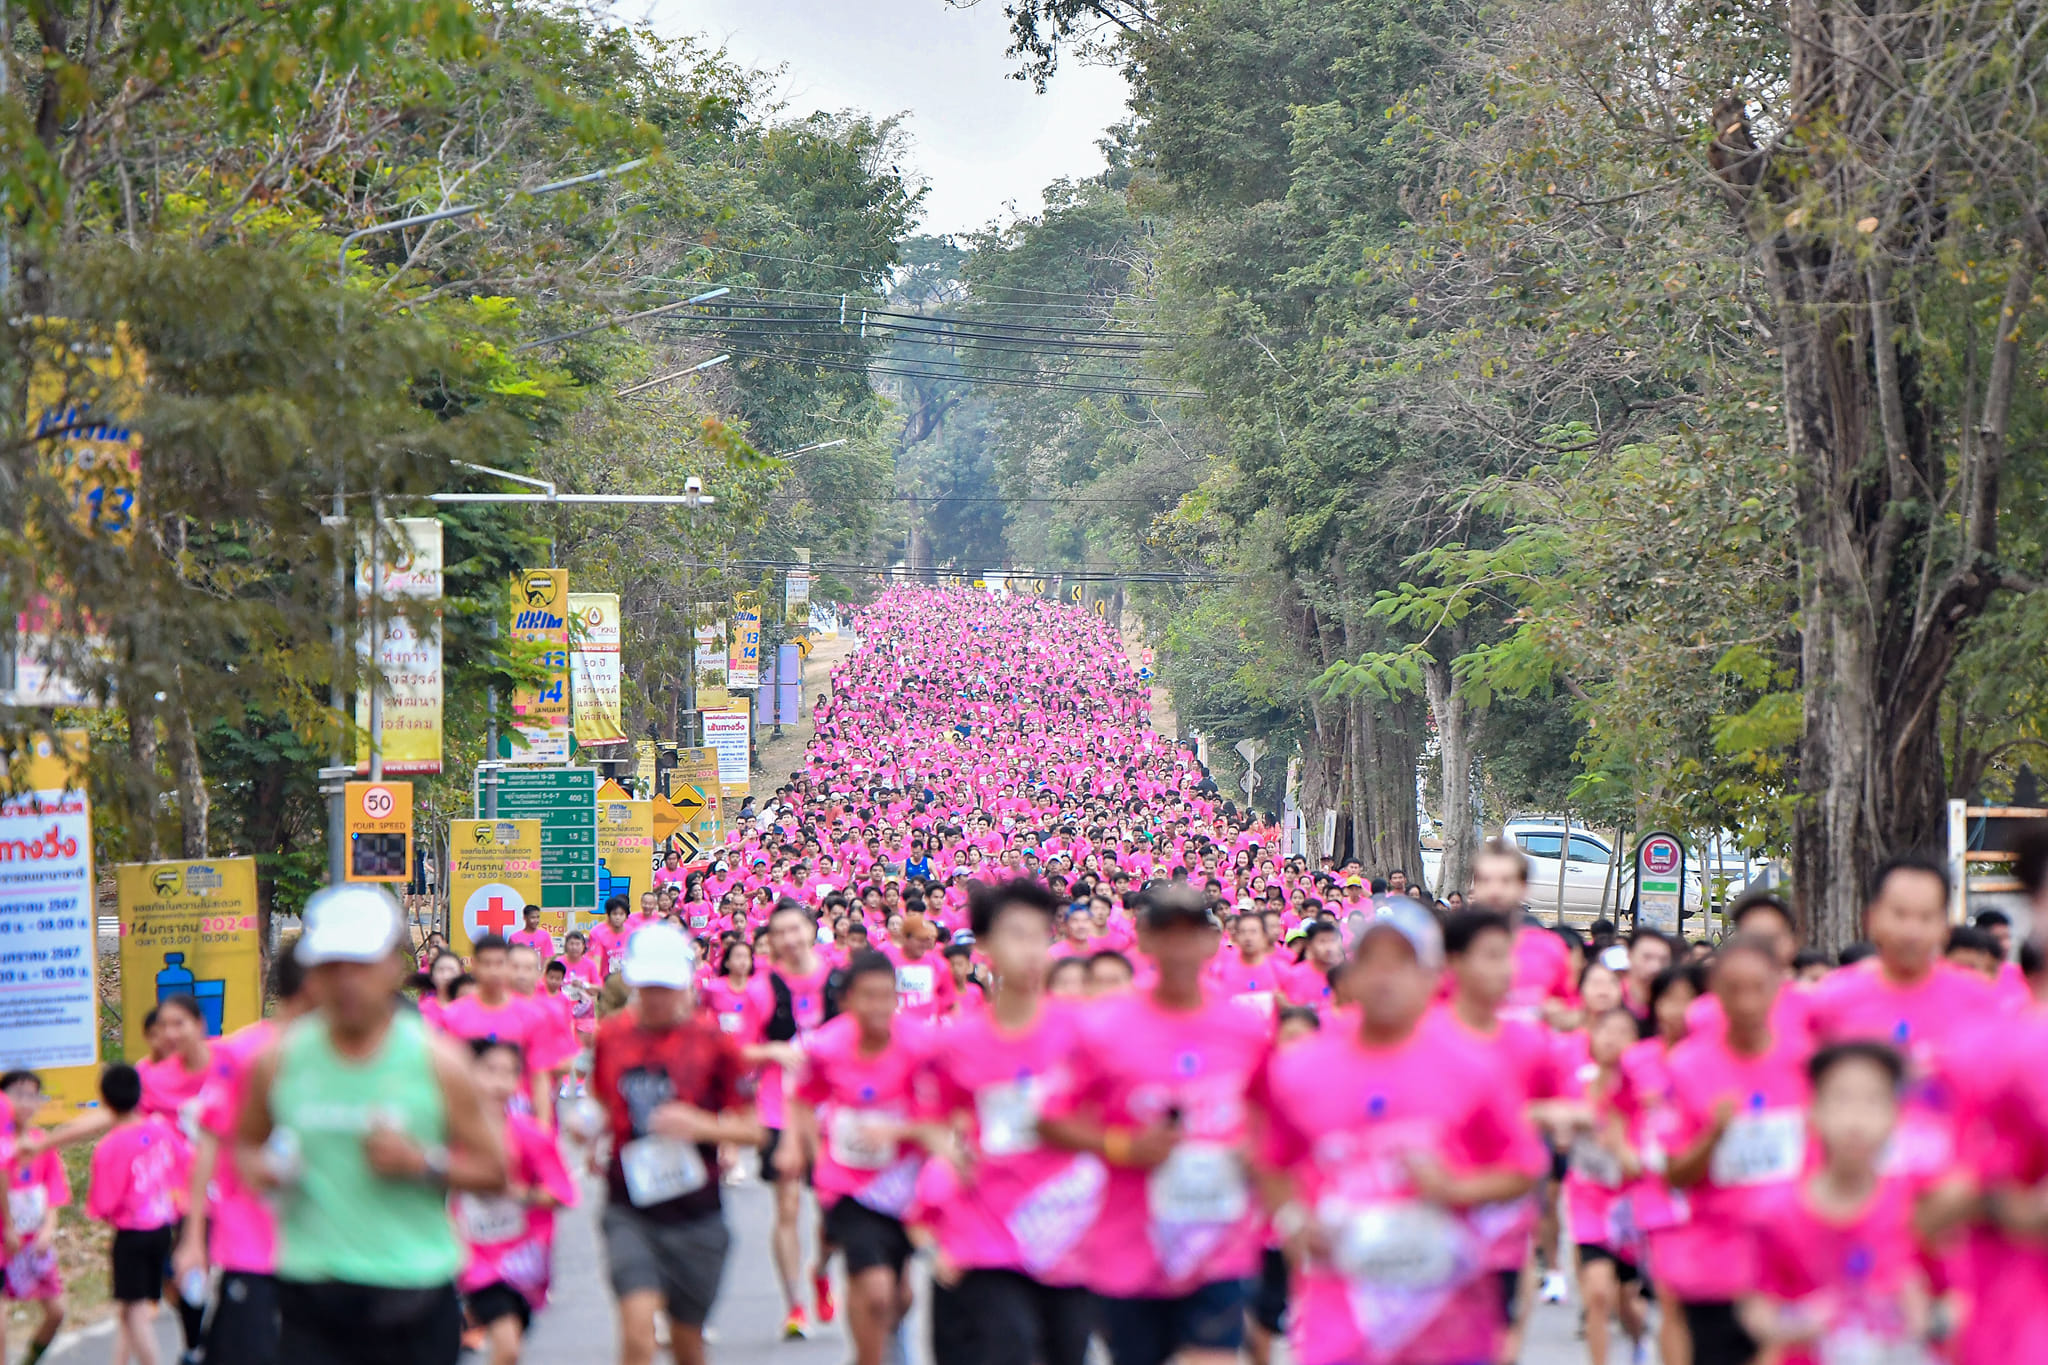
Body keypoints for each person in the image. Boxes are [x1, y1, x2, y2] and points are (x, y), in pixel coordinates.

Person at [1257, 899, 1546, 1365]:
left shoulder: (1473, 1063)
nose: (1386, 977)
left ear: (1432, 976)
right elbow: (1269, 1159)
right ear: (1352, 975)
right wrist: (1294, 1225)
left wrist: (1456, 1189)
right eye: (1373, 961)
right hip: (1342, 1317)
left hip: (1445, 1316)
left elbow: (1523, 1168)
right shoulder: (1303, 1066)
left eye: (1403, 963)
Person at [235, 884, 508, 1365]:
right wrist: (266, 1171)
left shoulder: (437, 1062)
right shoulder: (278, 1060)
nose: (345, 982)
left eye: (359, 965)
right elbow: (245, 1144)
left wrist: (421, 1163)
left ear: (393, 968)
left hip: (413, 1293)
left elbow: (496, 1169)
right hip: (311, 1292)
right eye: (330, 967)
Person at [1039, 884, 1272, 1365]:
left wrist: (1252, 1152)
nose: (1180, 947)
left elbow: (1273, 1119)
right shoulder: (1106, 1028)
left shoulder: (1244, 1030)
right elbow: (1050, 1118)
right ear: (1144, 941)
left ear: (1212, 942)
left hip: (1218, 1241)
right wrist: (1124, 1146)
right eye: (1167, 934)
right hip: (1130, 1245)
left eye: (1191, 934)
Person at [922, 879, 1098, 1365]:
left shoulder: (1081, 1036)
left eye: (1038, 934)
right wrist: (942, 1216)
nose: (1029, 948)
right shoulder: (959, 1045)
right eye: (1014, 934)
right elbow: (939, 1129)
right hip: (987, 1235)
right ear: (984, 946)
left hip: (1064, 1235)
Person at [589, 924, 759, 1365]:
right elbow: (601, 1100)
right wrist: (591, 1133)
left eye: (666, 987)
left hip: (696, 1211)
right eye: (648, 987)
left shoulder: (714, 1044)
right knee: (638, 1330)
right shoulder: (611, 1037)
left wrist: (701, 1126)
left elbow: (754, 1128)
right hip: (629, 1205)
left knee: (688, 1345)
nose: (657, 998)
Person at [1740, 1041, 1945, 1364]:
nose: (1856, 1119)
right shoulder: (1775, 1212)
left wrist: (1927, 1317)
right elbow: (1756, 1310)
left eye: (1873, 1101)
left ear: (1896, 1114)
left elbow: (1959, 1302)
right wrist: (1796, 1324)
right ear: (1813, 1111)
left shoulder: (1920, 1204)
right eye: (1841, 1100)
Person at [782, 951, 941, 1365]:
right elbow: (803, 1099)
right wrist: (800, 1150)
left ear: (897, 999)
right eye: (867, 997)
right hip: (846, 1184)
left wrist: (901, 1132)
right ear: (849, 1000)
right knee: (875, 1290)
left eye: (885, 997)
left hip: (901, 1183)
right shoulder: (828, 1045)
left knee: (900, 1294)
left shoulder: (919, 1044)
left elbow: (942, 1113)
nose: (877, 1007)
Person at [1662, 936, 1814, 1365]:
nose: (1746, 1002)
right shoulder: (1688, 1066)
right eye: (1734, 989)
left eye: (1758, 988)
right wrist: (1713, 1134)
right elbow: (1674, 1174)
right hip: (1718, 1267)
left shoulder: (1804, 1061)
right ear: (1715, 992)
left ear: (1778, 988)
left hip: (1792, 1264)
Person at [173, 948, 313, 1365]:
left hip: (326, 1247)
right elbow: (211, 1142)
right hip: (252, 1245)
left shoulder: (349, 1055)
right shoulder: (243, 1051)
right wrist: (194, 1237)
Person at [456, 1039, 577, 1365]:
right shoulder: (450, 1132)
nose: (499, 1082)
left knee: (510, 1348)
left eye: (509, 1073)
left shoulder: (532, 1136)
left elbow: (561, 1194)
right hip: (469, 1260)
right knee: (507, 1347)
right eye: (489, 1071)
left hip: (521, 1263)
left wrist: (518, 1193)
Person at [757, 900, 839, 1338]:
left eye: (795, 929)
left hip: (829, 1112)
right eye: (779, 932)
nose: (788, 939)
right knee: (786, 1206)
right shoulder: (762, 988)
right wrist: (769, 1050)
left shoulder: (839, 980)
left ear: (812, 929)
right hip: (778, 1109)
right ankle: (795, 1307)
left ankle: (821, 1268)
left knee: (833, 1213)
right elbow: (736, 1049)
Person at [88, 1063, 189, 1365]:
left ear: (105, 1101)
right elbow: (183, 1163)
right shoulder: (160, 1129)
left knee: (134, 1311)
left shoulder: (109, 1147)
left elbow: (103, 1203)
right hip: (161, 1230)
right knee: (131, 1308)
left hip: (131, 1234)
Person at [1, 1071, 67, 1365]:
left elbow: (54, 1195)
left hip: (34, 1244)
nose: (25, 1102)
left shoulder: (42, 1143)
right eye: (18, 1094)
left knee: (57, 1311)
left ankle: (29, 1359)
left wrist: (48, 1231)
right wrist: (8, 1229)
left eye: (32, 1095)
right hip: (5, 1243)